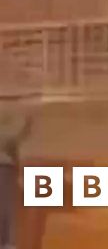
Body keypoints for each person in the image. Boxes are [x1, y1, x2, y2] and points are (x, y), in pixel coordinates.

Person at [0, 100, 33, 249]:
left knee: (7, 211)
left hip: (8, 169)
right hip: (7, 170)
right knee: (8, 211)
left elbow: (19, 138)